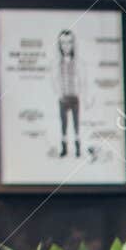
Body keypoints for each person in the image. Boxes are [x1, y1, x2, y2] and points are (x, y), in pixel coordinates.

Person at [53, 29, 81, 158]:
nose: (66, 46)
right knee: (63, 125)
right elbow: (55, 80)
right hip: (63, 98)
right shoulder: (57, 64)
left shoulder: (78, 63)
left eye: (69, 42)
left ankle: (77, 148)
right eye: (63, 43)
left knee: (76, 124)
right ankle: (64, 149)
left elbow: (82, 80)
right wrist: (59, 94)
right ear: (59, 45)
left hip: (74, 97)